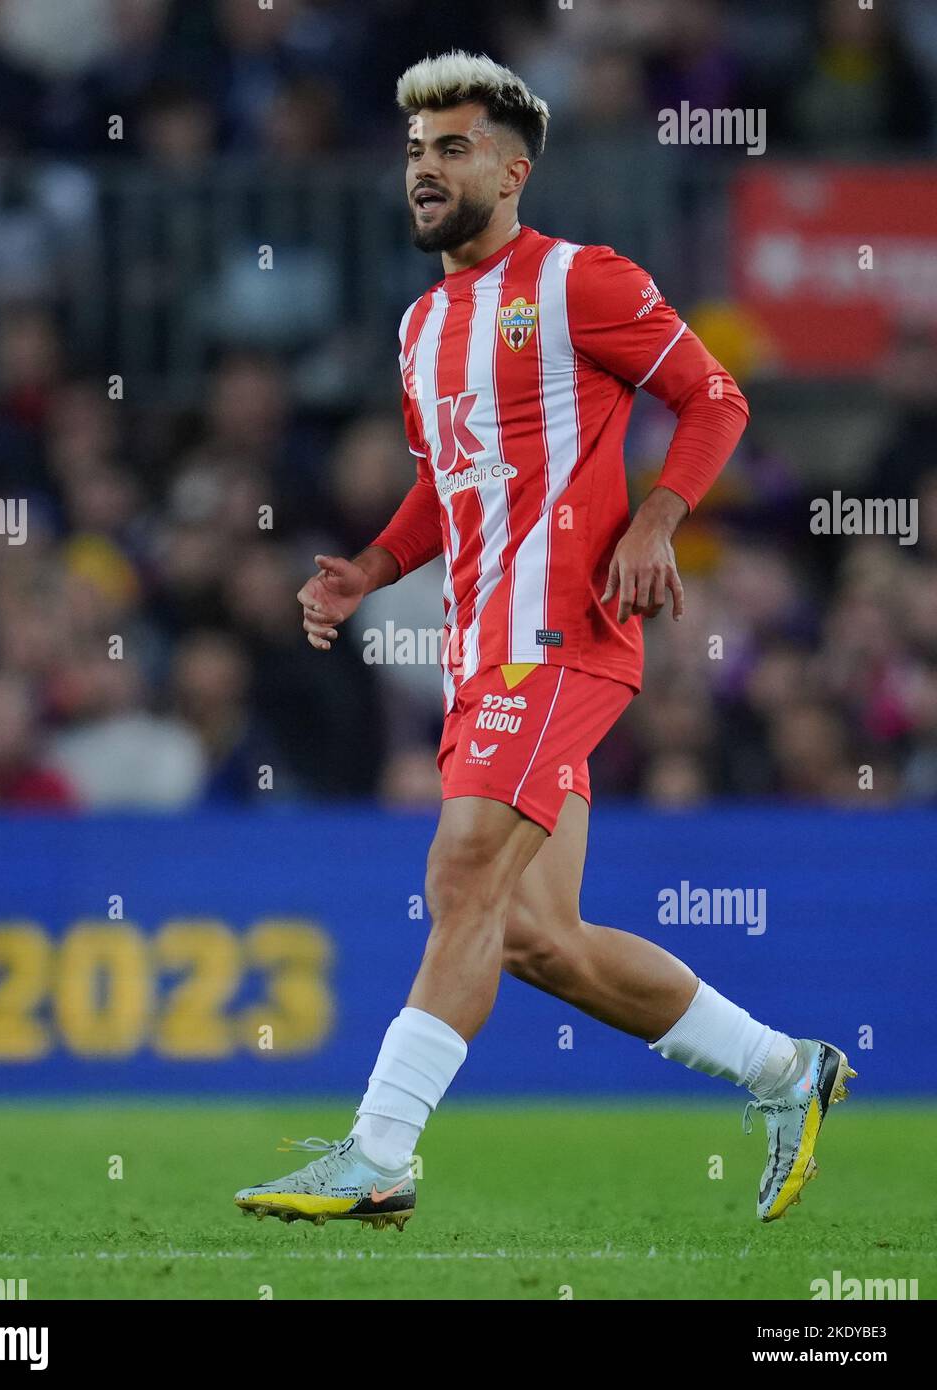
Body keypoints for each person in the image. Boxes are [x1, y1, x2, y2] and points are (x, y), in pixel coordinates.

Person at [234, 51, 854, 1231]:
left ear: (513, 171)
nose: (425, 169)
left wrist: (658, 519)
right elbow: (447, 487)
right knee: (533, 936)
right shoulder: (420, 328)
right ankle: (789, 1070)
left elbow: (713, 398)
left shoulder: (582, 281)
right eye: (416, 151)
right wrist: (368, 567)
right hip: (481, 651)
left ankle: (378, 1152)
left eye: (452, 148)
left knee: (461, 871)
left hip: (560, 637)